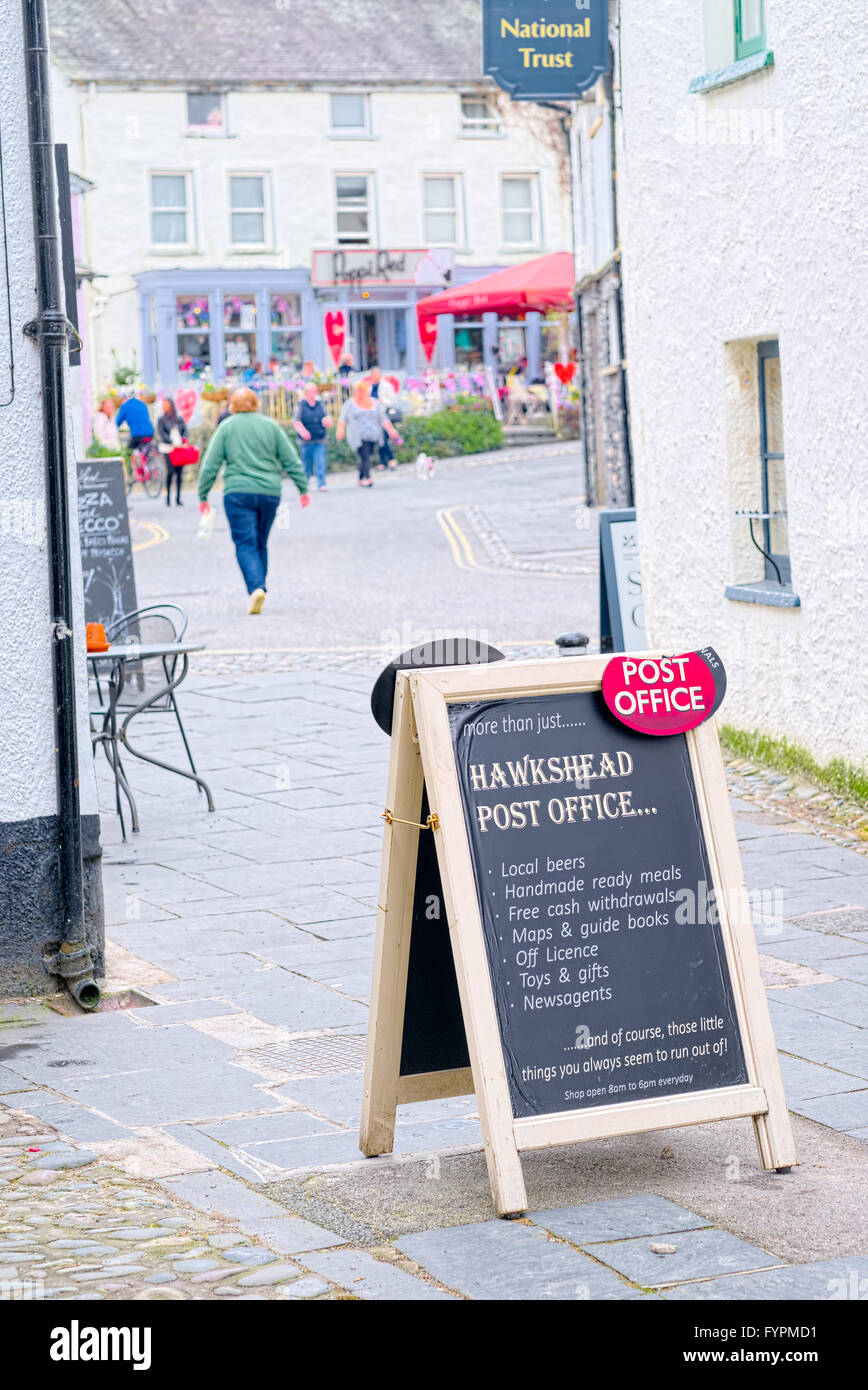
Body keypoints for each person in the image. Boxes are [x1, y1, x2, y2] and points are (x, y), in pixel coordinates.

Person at [198, 387, 310, 614]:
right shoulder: (270, 426)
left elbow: (211, 463)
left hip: (237, 493)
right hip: (269, 491)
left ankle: (256, 588)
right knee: (260, 542)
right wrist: (303, 488)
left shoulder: (226, 428)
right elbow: (290, 459)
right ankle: (260, 587)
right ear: (256, 403)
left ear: (232, 406)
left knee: (244, 543)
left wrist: (203, 494)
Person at [336, 379, 402, 488]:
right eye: (356, 391)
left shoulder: (375, 403)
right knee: (365, 455)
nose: (358, 393)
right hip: (357, 436)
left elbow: (383, 419)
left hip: (374, 434)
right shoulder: (350, 404)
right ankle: (368, 478)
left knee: (367, 456)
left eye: (360, 391)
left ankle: (361, 477)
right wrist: (340, 431)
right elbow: (342, 419)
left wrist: (391, 431)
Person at [292, 382, 332, 492]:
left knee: (320, 461)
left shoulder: (320, 404)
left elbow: (327, 417)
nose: (313, 394)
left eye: (314, 391)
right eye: (310, 392)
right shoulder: (301, 404)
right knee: (306, 463)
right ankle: (304, 484)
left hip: (320, 437)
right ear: (305, 393)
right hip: (306, 440)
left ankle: (321, 483)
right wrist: (303, 431)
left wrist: (327, 421)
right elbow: (296, 421)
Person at [156, 396, 189, 507]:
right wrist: (171, 442)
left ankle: (178, 498)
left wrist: (183, 441)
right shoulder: (161, 419)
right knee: (170, 472)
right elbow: (162, 433)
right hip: (169, 449)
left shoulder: (178, 419)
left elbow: (185, 431)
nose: (164, 407)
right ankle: (168, 498)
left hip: (180, 448)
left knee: (179, 473)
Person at [368, 367, 399, 471]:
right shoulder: (369, 387)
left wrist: (383, 400)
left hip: (384, 415)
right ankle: (385, 462)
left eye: (375, 374)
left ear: (379, 375)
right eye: (372, 375)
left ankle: (390, 460)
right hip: (373, 416)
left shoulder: (386, 386)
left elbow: (393, 401)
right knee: (379, 439)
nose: (374, 377)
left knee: (383, 438)